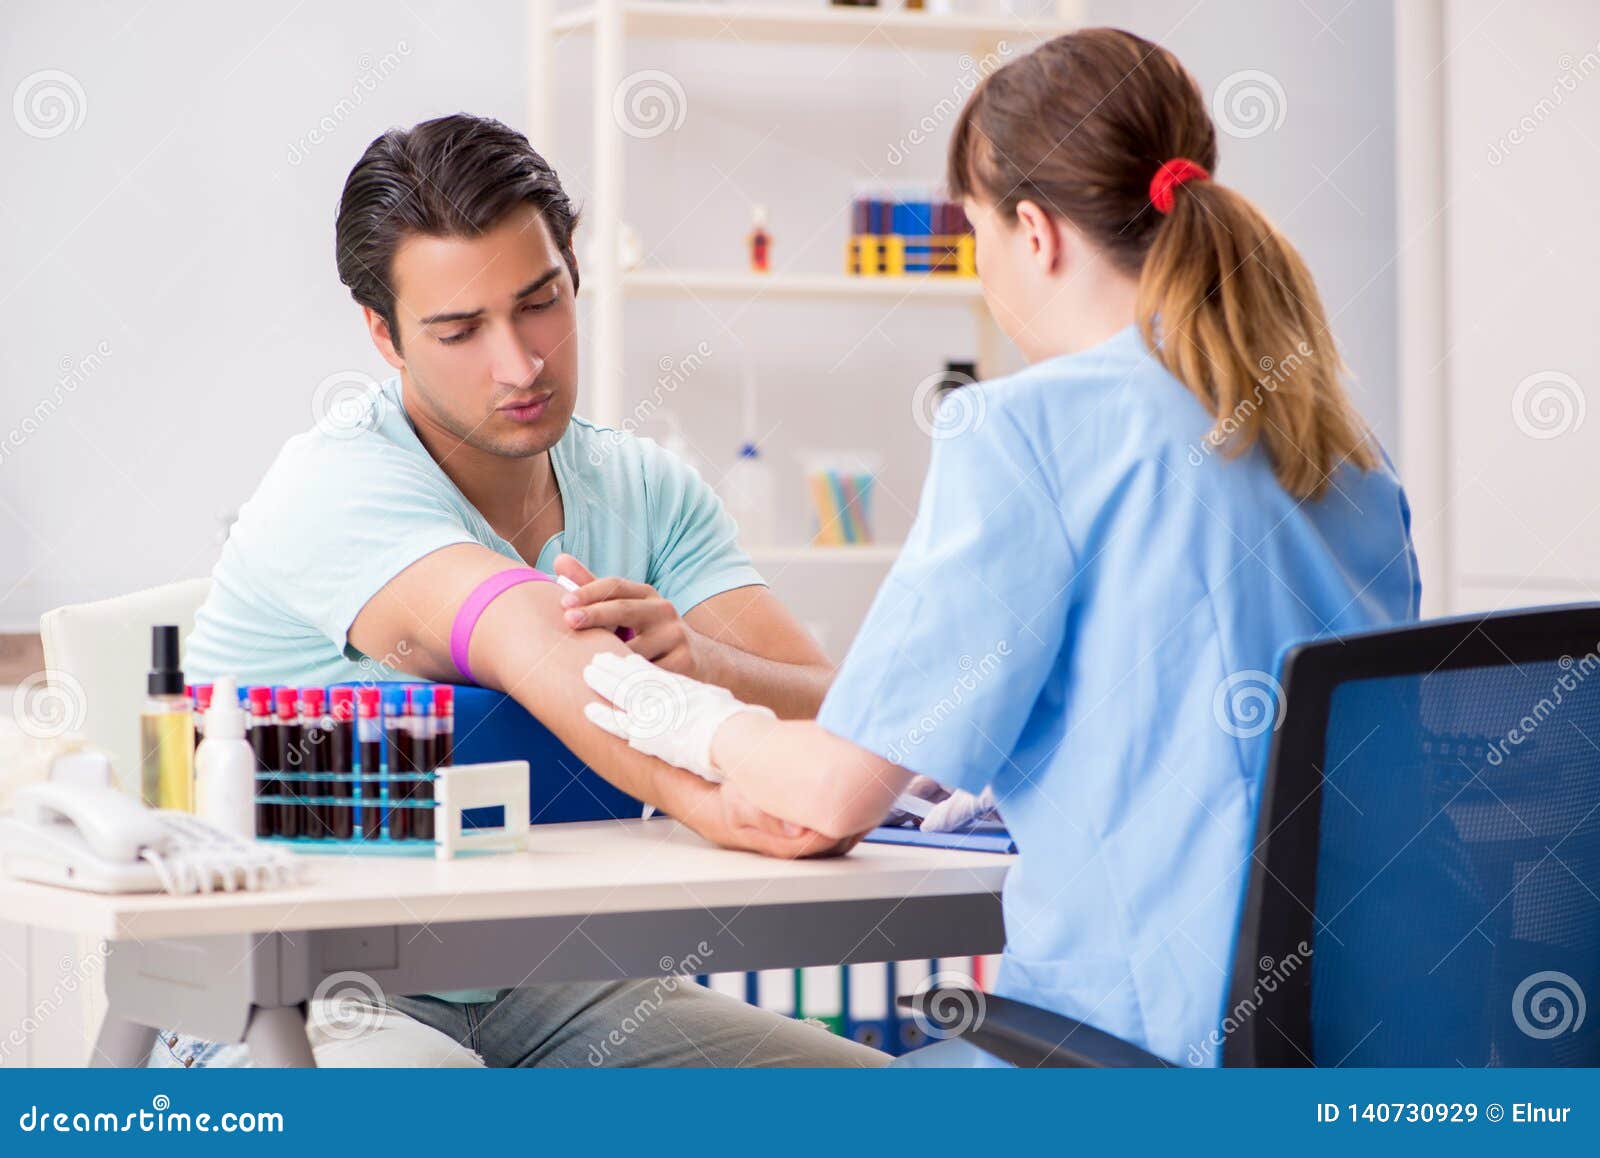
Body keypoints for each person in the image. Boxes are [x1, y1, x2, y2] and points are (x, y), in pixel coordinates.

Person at [581, 27, 1422, 1067]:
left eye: (973, 231)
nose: (982, 270)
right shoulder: (1337, 439)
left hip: (1142, 1057)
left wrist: (683, 716)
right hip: (1375, 1048)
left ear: (1035, 231)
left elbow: (829, 796)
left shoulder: (1027, 431)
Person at [155, 114, 882, 1069]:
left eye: (539, 302)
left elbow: (840, 704)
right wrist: (711, 789)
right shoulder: (333, 483)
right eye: (459, 329)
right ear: (384, 335)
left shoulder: (643, 486)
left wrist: (704, 662)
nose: (521, 364)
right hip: (302, 994)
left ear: (574, 273)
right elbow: (530, 637)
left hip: (552, 982)